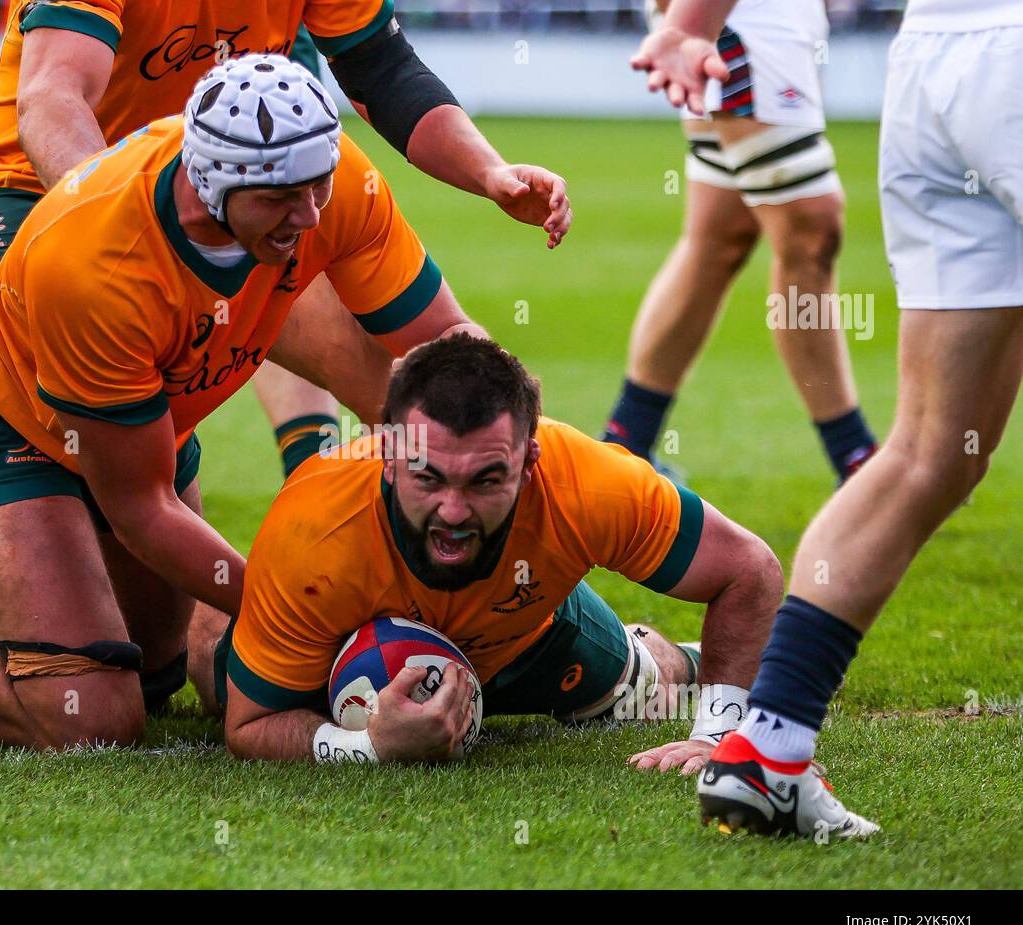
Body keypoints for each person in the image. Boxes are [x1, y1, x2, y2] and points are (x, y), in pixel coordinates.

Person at [0, 56, 493, 751]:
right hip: (0, 410)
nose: (307, 215)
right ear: (210, 184)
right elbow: (145, 510)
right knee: (90, 712)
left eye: (316, 187)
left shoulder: (331, 179)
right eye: (280, 198)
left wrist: (505, 459)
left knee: (155, 676)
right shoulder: (97, 260)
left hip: (140, 414)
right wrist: (294, 607)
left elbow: (445, 344)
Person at [0, 0, 572, 589]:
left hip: (240, 199)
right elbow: (51, 96)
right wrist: (118, 231)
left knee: (405, 379)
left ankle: (540, 611)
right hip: (42, 188)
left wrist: (489, 172)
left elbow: (382, 69)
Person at [637, 0, 1023, 840]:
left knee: (930, 454)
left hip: (933, 60)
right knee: (775, 236)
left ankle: (769, 750)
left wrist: (692, 25)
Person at [210, 334, 784, 770]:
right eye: (429, 478)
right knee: (207, 656)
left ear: (530, 464)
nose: (454, 512)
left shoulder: (585, 481)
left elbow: (748, 572)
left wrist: (718, 736)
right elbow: (251, 724)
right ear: (386, 454)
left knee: (644, 693)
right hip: (338, 641)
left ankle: (676, 655)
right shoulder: (312, 529)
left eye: (485, 481)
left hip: (525, 635)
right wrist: (366, 745)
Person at [603, 0, 876, 485]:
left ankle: (626, 446)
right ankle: (856, 459)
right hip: (743, 15)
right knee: (810, 227)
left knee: (719, 233)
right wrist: (690, 23)